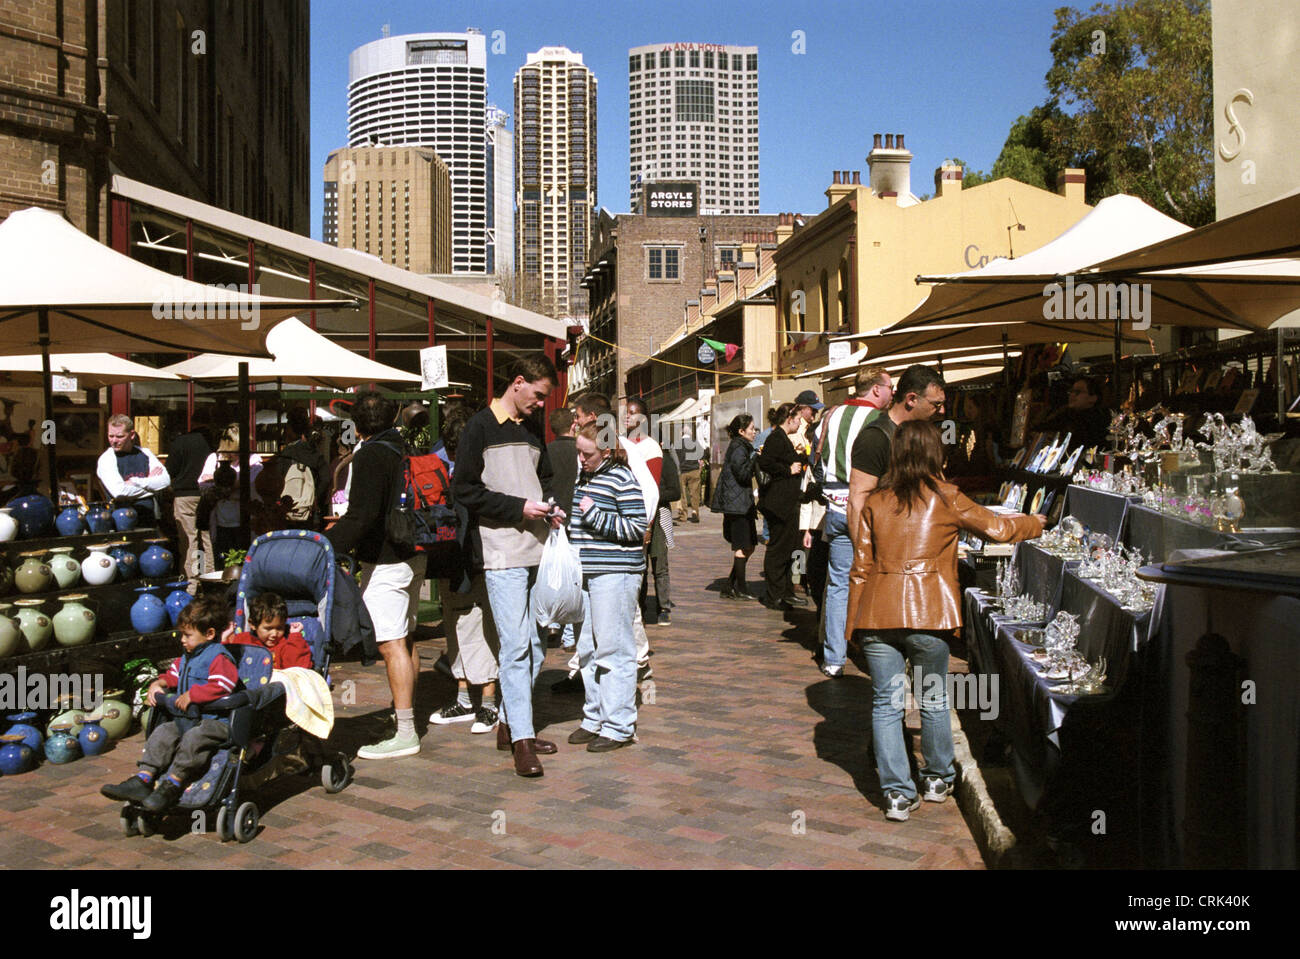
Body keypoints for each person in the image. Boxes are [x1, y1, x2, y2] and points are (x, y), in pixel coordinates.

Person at [847, 420, 1045, 821]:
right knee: (933, 699)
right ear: (936, 452)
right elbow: (1000, 529)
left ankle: (897, 794)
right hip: (929, 613)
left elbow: (860, 568)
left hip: (878, 613)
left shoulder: (876, 501)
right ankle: (937, 778)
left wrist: (852, 625)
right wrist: (1036, 523)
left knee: (886, 704)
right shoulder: (947, 497)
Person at [453, 354, 563, 777]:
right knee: (516, 646)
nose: (541, 405)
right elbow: (463, 488)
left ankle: (509, 723)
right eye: (537, 396)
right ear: (517, 383)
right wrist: (520, 508)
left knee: (535, 644)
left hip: (537, 548)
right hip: (500, 551)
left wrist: (552, 507)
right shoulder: (478, 428)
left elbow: (547, 478)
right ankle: (521, 738)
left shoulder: (533, 428)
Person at [325, 391, 427, 760]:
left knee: (390, 644)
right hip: (412, 552)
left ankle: (405, 731)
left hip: (386, 558)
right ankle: (407, 718)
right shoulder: (403, 447)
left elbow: (362, 516)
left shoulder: (369, 455)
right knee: (405, 637)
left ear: (357, 424)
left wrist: (323, 543)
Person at [100, 597, 240, 812]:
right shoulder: (187, 656)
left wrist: (194, 695)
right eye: (182, 634)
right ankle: (144, 778)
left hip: (216, 722)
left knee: (194, 739)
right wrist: (159, 683)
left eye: (188, 635)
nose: (182, 640)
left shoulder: (219, 657)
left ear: (209, 634)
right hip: (188, 719)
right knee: (163, 731)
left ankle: (174, 782)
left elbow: (224, 684)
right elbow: (174, 675)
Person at [565, 422, 648, 752]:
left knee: (614, 648)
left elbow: (637, 527)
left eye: (587, 454)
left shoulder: (622, 477)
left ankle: (619, 724)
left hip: (616, 572)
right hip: (588, 572)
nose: (581, 459)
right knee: (587, 648)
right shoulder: (586, 476)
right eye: (579, 453)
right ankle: (595, 715)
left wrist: (594, 515)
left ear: (606, 451)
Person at [812, 366, 893, 677]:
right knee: (877, 581)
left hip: (835, 509)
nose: (891, 393)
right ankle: (878, 655)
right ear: (875, 389)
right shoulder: (880, 422)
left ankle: (834, 658)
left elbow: (814, 458)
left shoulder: (830, 416)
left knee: (838, 585)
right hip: (869, 508)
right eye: (889, 387)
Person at [428, 403, 502, 736]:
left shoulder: (439, 461)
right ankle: (474, 700)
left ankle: (483, 702)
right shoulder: (482, 461)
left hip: (455, 554)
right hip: (471, 554)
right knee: (467, 623)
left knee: (469, 624)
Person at [553, 393, 612, 691]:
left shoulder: (617, 470)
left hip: (607, 565)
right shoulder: (586, 472)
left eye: (577, 416)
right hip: (583, 562)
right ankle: (590, 702)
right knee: (586, 636)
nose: (574, 422)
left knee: (610, 640)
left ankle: (612, 713)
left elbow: (637, 515)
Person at [847, 364, 947, 537]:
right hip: (889, 546)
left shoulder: (925, 435)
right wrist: (863, 558)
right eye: (936, 404)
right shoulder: (875, 437)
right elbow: (858, 500)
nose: (942, 411)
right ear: (911, 399)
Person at [620, 397, 660, 677]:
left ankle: (639, 642)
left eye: (633, 414)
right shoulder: (621, 442)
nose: (627, 417)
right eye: (626, 413)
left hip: (640, 519)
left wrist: (648, 525)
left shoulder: (650, 447)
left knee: (638, 577)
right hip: (625, 519)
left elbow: (651, 489)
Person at [757, 403, 809, 611]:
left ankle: (788, 590)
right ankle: (775, 594)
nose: (799, 423)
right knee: (779, 550)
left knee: (793, 549)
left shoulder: (782, 438)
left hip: (788, 502)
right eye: (798, 419)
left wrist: (800, 459)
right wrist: (788, 469)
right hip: (780, 503)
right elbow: (766, 463)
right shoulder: (776, 438)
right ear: (789, 418)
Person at [711, 413, 760, 600]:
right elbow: (744, 475)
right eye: (751, 429)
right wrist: (756, 458)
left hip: (741, 504)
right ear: (741, 431)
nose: (754, 432)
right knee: (742, 546)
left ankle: (730, 585)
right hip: (737, 506)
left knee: (749, 546)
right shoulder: (739, 448)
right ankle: (741, 588)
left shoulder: (741, 447)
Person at [97, 414, 171, 525]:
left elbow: (165, 481)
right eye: (111, 436)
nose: (114, 441)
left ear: (131, 435)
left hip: (148, 518)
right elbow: (119, 492)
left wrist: (136, 481)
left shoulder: (145, 453)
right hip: (121, 521)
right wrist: (151, 486)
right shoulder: (107, 459)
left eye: (120, 436)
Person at [167, 417, 212, 581]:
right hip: (208, 495)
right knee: (207, 541)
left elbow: (170, 471)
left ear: (192, 423)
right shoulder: (213, 442)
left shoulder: (181, 442)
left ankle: (191, 583)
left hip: (184, 495)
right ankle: (210, 579)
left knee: (189, 542)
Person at [226, 592, 313, 670]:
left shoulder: (287, 644)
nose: (274, 634)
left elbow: (297, 669)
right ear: (252, 624)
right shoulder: (241, 640)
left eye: (280, 628)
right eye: (268, 629)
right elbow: (225, 662)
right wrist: (225, 637)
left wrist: (295, 636)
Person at [647, 424, 679, 626]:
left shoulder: (665, 460)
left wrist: (654, 496)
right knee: (639, 566)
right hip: (641, 515)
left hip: (659, 514)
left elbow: (676, 492)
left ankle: (663, 606)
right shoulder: (637, 459)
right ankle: (639, 606)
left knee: (660, 563)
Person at [1038, 374, 1110, 451]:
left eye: (1077, 392)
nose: (1072, 395)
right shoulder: (1067, 413)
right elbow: (1041, 427)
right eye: (1071, 391)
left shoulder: (1097, 421)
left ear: (1093, 398)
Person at [674, 424, 704, 523]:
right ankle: (695, 511)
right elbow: (702, 454)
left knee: (682, 494)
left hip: (682, 471)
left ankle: (684, 515)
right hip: (694, 470)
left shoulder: (677, 444)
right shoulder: (695, 442)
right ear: (690, 433)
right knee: (694, 493)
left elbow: (674, 458)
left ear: (682, 433)